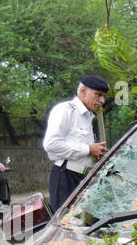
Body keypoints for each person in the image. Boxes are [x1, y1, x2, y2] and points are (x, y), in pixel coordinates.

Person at [43, 74, 108, 211]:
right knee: (65, 226)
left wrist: (96, 154)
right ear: (83, 91)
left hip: (83, 178)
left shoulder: (89, 116)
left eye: (104, 96)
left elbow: (81, 149)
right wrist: (88, 149)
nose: (102, 100)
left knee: (83, 226)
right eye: (98, 95)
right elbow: (51, 144)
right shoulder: (65, 110)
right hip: (66, 177)